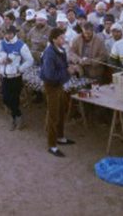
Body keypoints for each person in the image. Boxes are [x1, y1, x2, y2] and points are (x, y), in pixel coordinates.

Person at [40, 28, 76, 157]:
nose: (64, 39)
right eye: (61, 37)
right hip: (52, 86)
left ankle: (60, 137)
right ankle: (52, 145)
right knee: (53, 115)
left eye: (64, 37)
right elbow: (50, 75)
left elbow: (62, 66)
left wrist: (70, 65)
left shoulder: (61, 50)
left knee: (61, 111)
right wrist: (68, 71)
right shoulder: (50, 53)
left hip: (59, 84)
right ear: (54, 39)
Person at [0, 26, 34, 131]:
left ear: (14, 33)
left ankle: (16, 118)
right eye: (6, 33)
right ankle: (16, 116)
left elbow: (30, 60)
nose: (8, 35)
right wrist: (2, 60)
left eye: (10, 33)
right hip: (5, 76)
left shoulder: (21, 45)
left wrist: (19, 69)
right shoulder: (0, 43)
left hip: (16, 76)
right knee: (6, 99)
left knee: (14, 99)